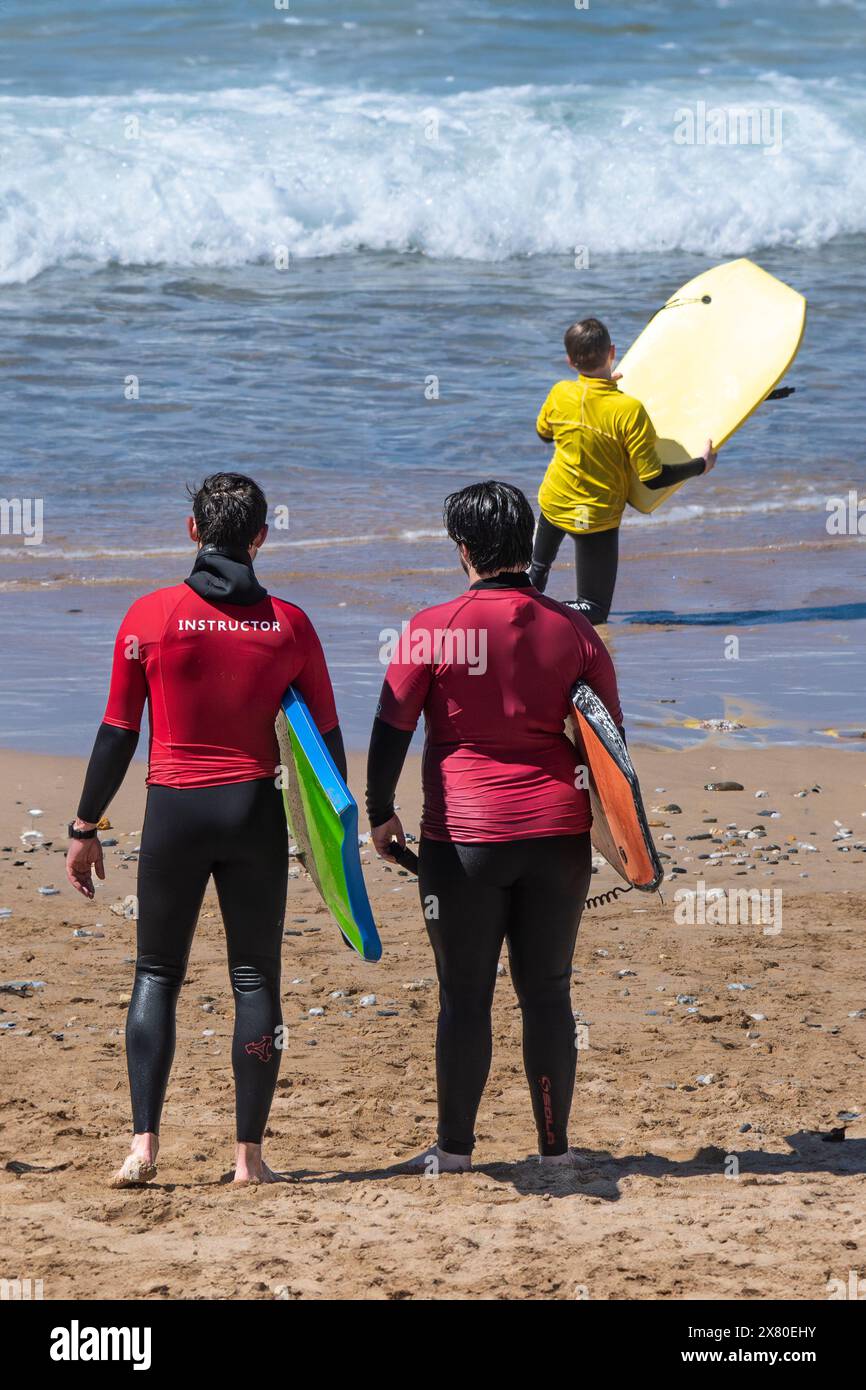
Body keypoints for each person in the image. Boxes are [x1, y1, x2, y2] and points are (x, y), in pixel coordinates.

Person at [65, 473, 345, 1187]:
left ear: (193, 531)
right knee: (255, 979)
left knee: (157, 973)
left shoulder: (150, 616)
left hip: (175, 814)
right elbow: (326, 749)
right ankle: (248, 1159)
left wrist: (85, 823)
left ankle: (143, 1147)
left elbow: (118, 732)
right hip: (253, 813)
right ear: (261, 537)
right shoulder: (291, 624)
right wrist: (328, 844)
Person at [366, 480, 623, 1171]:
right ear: (524, 544)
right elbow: (609, 747)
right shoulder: (574, 630)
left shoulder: (430, 627)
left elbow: (391, 727)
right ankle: (554, 1149)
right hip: (558, 838)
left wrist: (379, 811)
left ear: (463, 550)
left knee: (465, 997)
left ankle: (453, 1152)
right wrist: (621, 845)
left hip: (464, 841)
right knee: (547, 993)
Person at [529, 316, 717, 623]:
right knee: (594, 609)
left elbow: (544, 434)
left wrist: (594, 396)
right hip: (597, 516)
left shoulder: (559, 393)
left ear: (569, 361)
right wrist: (700, 465)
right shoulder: (629, 410)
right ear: (612, 352)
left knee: (537, 570)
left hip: (554, 502)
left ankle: (521, 611)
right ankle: (545, 615)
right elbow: (653, 478)